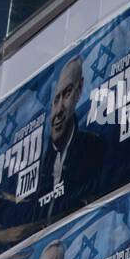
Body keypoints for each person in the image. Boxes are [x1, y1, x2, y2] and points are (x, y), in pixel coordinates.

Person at [38, 57, 105, 219]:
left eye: (67, 93)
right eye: (55, 100)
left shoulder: (95, 149)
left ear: (79, 89)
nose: (59, 109)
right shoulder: (41, 168)